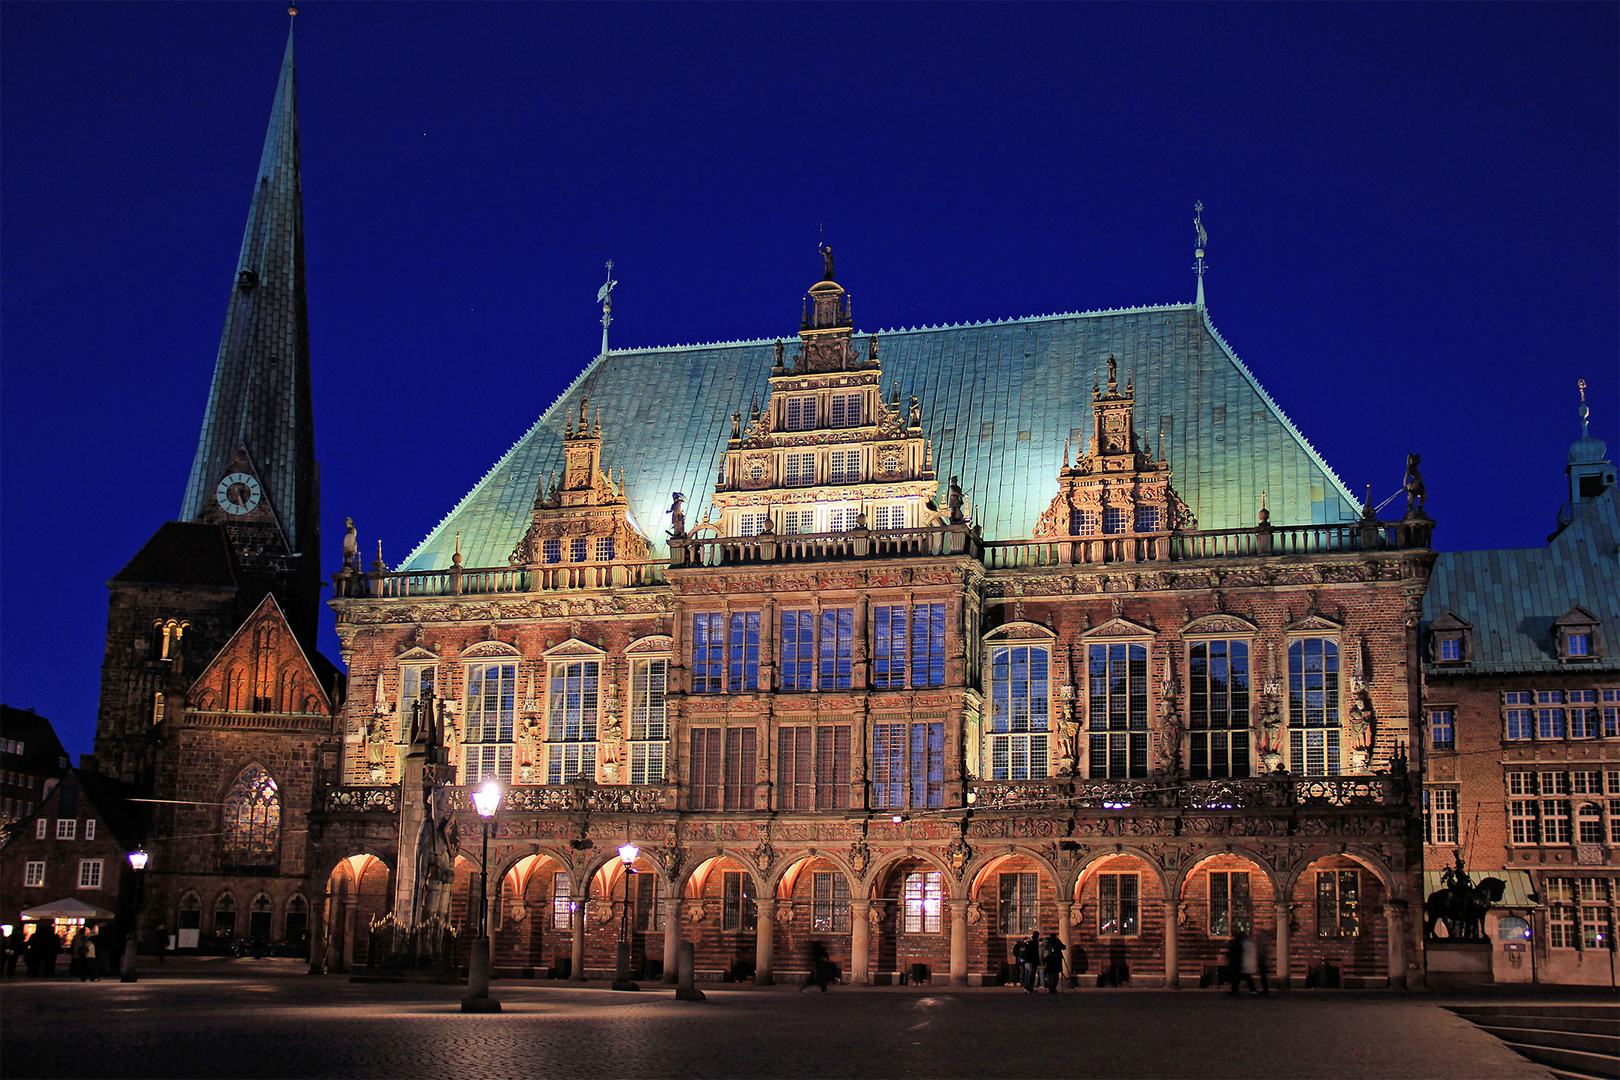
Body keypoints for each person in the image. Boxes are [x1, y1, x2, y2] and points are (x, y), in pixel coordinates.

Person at [1228, 930, 1258, 996]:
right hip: (1241, 962)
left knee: (1239, 977)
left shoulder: (1239, 943)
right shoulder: (1246, 943)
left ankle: (1235, 990)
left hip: (1238, 962)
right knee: (1245, 976)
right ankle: (1251, 988)